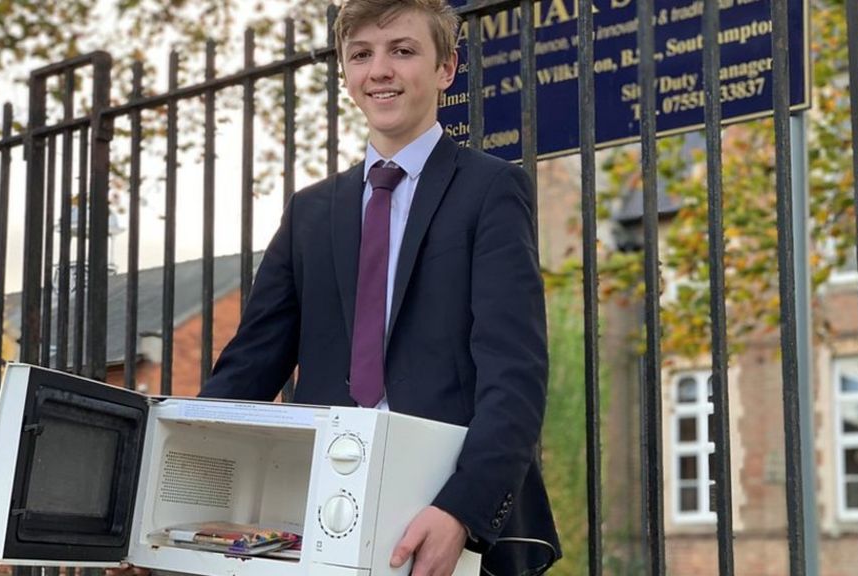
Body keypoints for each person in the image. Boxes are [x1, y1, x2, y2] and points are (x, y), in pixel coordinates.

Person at [112, 1, 558, 574]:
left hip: (443, 505)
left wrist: (462, 511)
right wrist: (156, 505)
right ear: (346, 74)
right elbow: (247, 370)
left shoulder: (492, 190)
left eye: (402, 50)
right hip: (316, 508)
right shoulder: (310, 212)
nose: (380, 70)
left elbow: (514, 372)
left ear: (447, 68)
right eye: (361, 55)